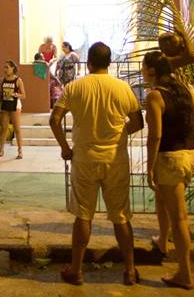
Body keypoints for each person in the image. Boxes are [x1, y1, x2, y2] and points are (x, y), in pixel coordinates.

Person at [49, 42, 144, 286]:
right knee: (121, 216)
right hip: (116, 160)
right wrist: (120, 133)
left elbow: (55, 119)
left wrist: (65, 148)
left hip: (84, 159)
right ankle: (130, 270)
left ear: (89, 62)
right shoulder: (122, 88)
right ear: (109, 63)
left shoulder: (75, 87)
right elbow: (138, 122)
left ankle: (76, 270)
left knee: (83, 215)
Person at [144, 51, 194, 290]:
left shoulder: (155, 96)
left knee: (179, 218)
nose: (142, 71)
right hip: (190, 153)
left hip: (170, 157)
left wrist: (149, 167)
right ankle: (162, 240)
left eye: (144, 67)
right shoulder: (183, 89)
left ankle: (184, 273)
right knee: (163, 198)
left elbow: (155, 135)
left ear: (152, 71)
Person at [0, 60, 25, 159]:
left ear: (13, 68)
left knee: (17, 129)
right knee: (4, 129)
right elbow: (0, 95)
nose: (5, 69)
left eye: (7, 67)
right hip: (5, 106)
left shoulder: (18, 80)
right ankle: (1, 151)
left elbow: (24, 95)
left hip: (15, 106)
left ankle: (20, 151)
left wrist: (16, 94)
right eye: (4, 67)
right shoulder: (2, 80)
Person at [54, 42, 80, 106]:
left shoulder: (72, 54)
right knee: (60, 86)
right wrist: (56, 71)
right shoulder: (62, 55)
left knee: (69, 87)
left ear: (67, 47)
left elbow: (78, 62)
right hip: (61, 72)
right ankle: (63, 101)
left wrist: (78, 71)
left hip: (69, 72)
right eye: (62, 47)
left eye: (63, 47)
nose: (62, 48)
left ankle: (70, 101)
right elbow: (58, 63)